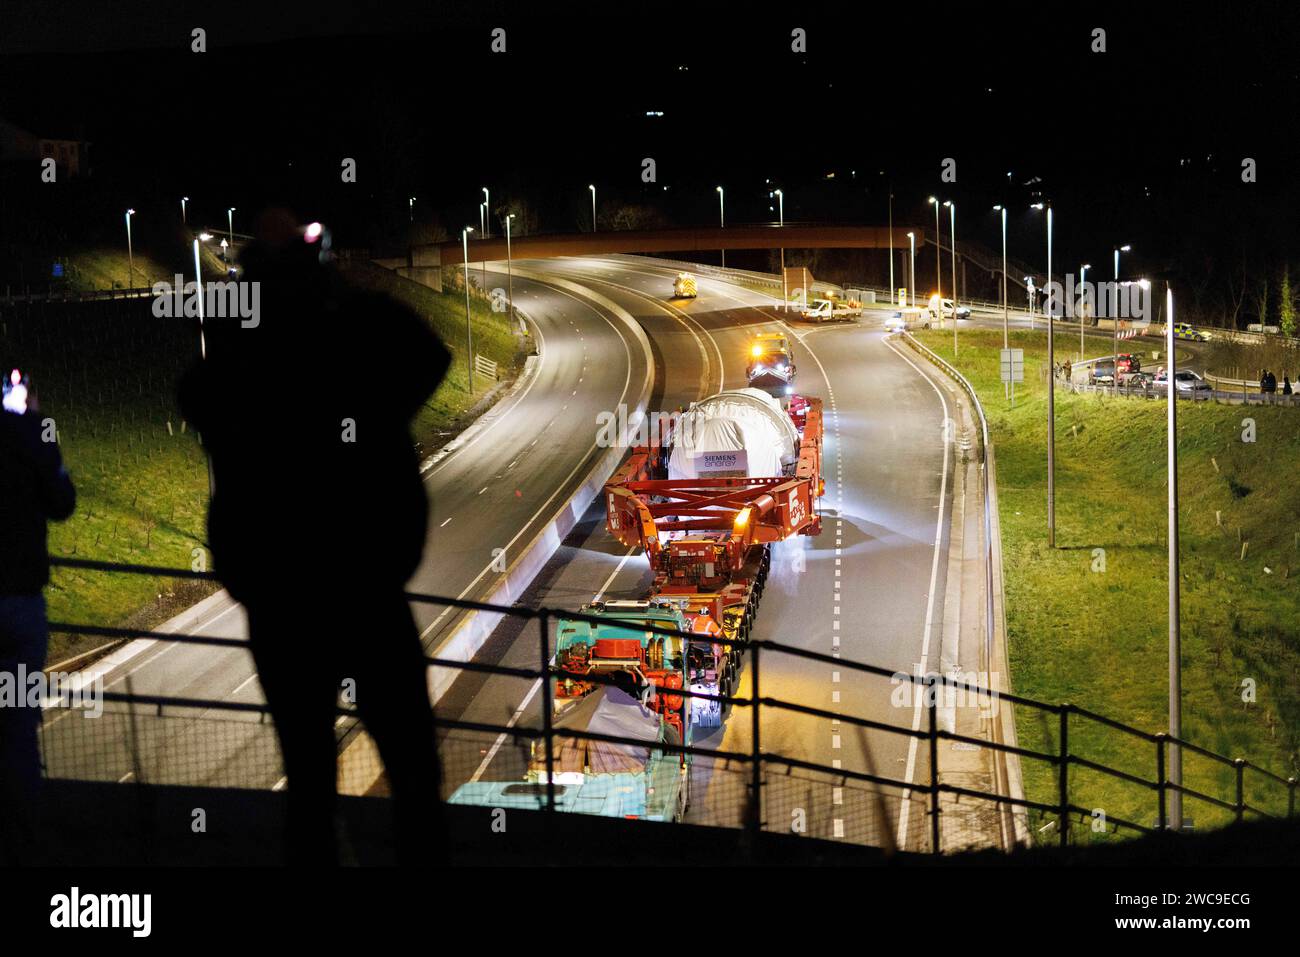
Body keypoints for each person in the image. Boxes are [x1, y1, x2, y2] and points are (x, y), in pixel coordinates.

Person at [179, 208, 451, 865]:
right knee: (412, 763)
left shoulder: (236, 359)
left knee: (308, 775)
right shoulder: (349, 336)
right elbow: (427, 352)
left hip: (280, 599)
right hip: (362, 587)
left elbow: (197, 398)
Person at [0, 369, 76, 864]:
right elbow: (62, 502)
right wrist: (37, 425)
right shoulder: (31, 434)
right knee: (19, 724)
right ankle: (25, 835)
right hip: (21, 599)